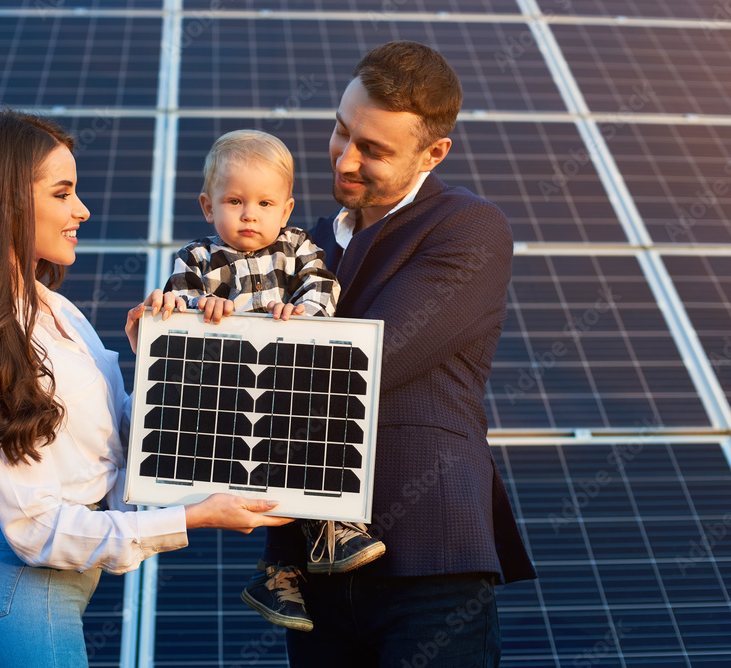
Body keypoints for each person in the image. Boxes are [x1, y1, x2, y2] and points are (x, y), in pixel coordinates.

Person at [0, 110, 291, 668]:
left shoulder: (57, 311)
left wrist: (165, 356)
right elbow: (35, 530)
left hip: (55, 593)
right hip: (22, 595)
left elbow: (117, 444)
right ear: (6, 202)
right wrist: (196, 515)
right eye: (62, 193)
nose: (83, 210)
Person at [268, 41, 538, 667]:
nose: (346, 159)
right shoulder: (305, 243)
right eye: (342, 130)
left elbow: (371, 359)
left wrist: (239, 353)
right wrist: (181, 325)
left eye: (374, 150)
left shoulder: (467, 226)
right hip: (313, 570)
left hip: (428, 559)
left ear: (434, 153)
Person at [159, 129, 386, 632]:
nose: (249, 215)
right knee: (255, 469)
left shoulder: (297, 247)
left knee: (313, 447)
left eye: (264, 204)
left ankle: (323, 535)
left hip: (290, 382)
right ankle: (279, 570)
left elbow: (322, 285)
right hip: (230, 391)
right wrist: (200, 307)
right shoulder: (197, 259)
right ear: (207, 206)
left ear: (285, 211)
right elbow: (174, 311)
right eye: (234, 201)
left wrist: (302, 312)